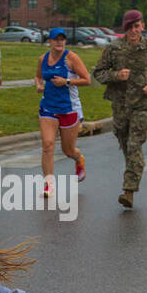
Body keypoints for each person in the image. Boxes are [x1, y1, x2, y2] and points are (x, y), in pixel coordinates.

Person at [93, 9, 147, 209]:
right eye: (129, 27)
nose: (133, 31)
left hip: (141, 104)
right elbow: (98, 73)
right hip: (119, 104)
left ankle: (129, 191)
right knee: (126, 145)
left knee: (135, 145)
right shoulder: (113, 48)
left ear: (142, 26)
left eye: (137, 26)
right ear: (125, 29)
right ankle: (135, 170)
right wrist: (116, 75)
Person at [34, 28, 90, 194]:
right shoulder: (43, 58)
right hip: (48, 108)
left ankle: (79, 159)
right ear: (49, 41)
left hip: (69, 108)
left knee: (68, 150)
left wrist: (66, 81)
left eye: (62, 39)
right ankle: (48, 185)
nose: (59, 42)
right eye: (55, 39)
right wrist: (38, 85)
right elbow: (38, 76)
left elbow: (87, 80)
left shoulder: (71, 58)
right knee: (47, 145)